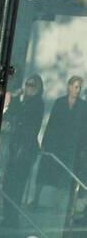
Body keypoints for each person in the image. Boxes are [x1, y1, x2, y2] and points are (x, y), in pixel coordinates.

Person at [34, 76, 86, 208]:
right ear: (69, 87)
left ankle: (58, 203)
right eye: (75, 86)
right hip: (56, 143)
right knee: (45, 170)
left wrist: (82, 148)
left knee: (65, 174)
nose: (77, 90)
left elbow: (83, 129)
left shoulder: (83, 106)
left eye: (79, 87)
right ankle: (35, 199)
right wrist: (45, 142)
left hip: (71, 145)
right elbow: (51, 124)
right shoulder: (59, 102)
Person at [2, 74, 44, 214]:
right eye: (27, 84)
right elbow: (9, 114)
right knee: (8, 182)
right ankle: (8, 214)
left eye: (32, 85)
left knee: (17, 184)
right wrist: (14, 98)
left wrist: (17, 101)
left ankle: (12, 216)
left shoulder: (37, 103)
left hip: (25, 148)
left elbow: (28, 123)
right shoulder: (24, 102)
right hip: (16, 145)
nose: (28, 88)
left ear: (38, 88)